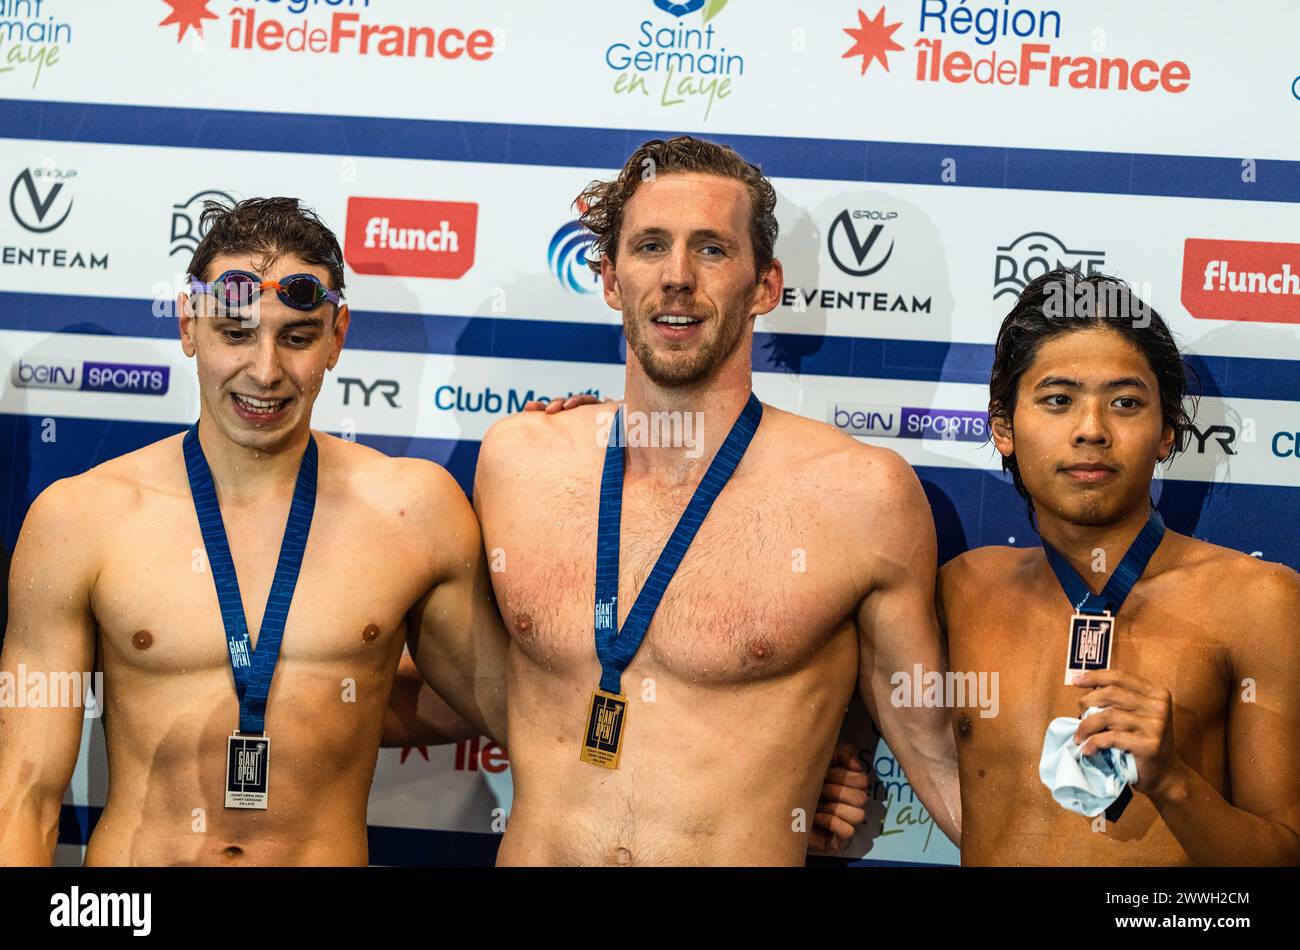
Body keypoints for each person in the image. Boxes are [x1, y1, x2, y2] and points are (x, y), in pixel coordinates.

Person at [0, 196, 864, 865]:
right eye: (235, 334)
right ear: (189, 327)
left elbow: (530, 707)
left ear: (337, 337)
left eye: (297, 337)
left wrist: (779, 767)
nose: (264, 371)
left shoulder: (412, 514)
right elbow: (25, 792)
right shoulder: (81, 519)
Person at [469, 136, 960, 865]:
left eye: (711, 249)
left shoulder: (863, 496)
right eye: (650, 247)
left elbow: (936, 756)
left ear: (765, 285)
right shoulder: (519, 461)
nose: (677, 277)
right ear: (610, 280)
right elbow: (444, 679)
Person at [939, 269, 1300, 865]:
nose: (1092, 430)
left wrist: (1173, 781)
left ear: (1167, 432)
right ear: (1003, 428)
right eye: (1058, 400)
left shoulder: (1259, 602)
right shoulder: (961, 590)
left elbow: (1285, 853)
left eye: (1125, 403)